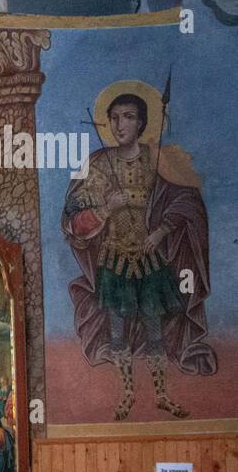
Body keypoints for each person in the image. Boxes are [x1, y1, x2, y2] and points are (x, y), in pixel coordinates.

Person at [62, 90, 214, 420]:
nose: (120, 125)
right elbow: (75, 213)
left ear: (143, 122)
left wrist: (161, 231)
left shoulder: (158, 158)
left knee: (154, 331)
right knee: (117, 332)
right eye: (114, 118)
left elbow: (185, 200)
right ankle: (128, 393)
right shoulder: (100, 165)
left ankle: (161, 394)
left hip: (150, 262)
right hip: (115, 261)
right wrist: (106, 206)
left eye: (128, 117)